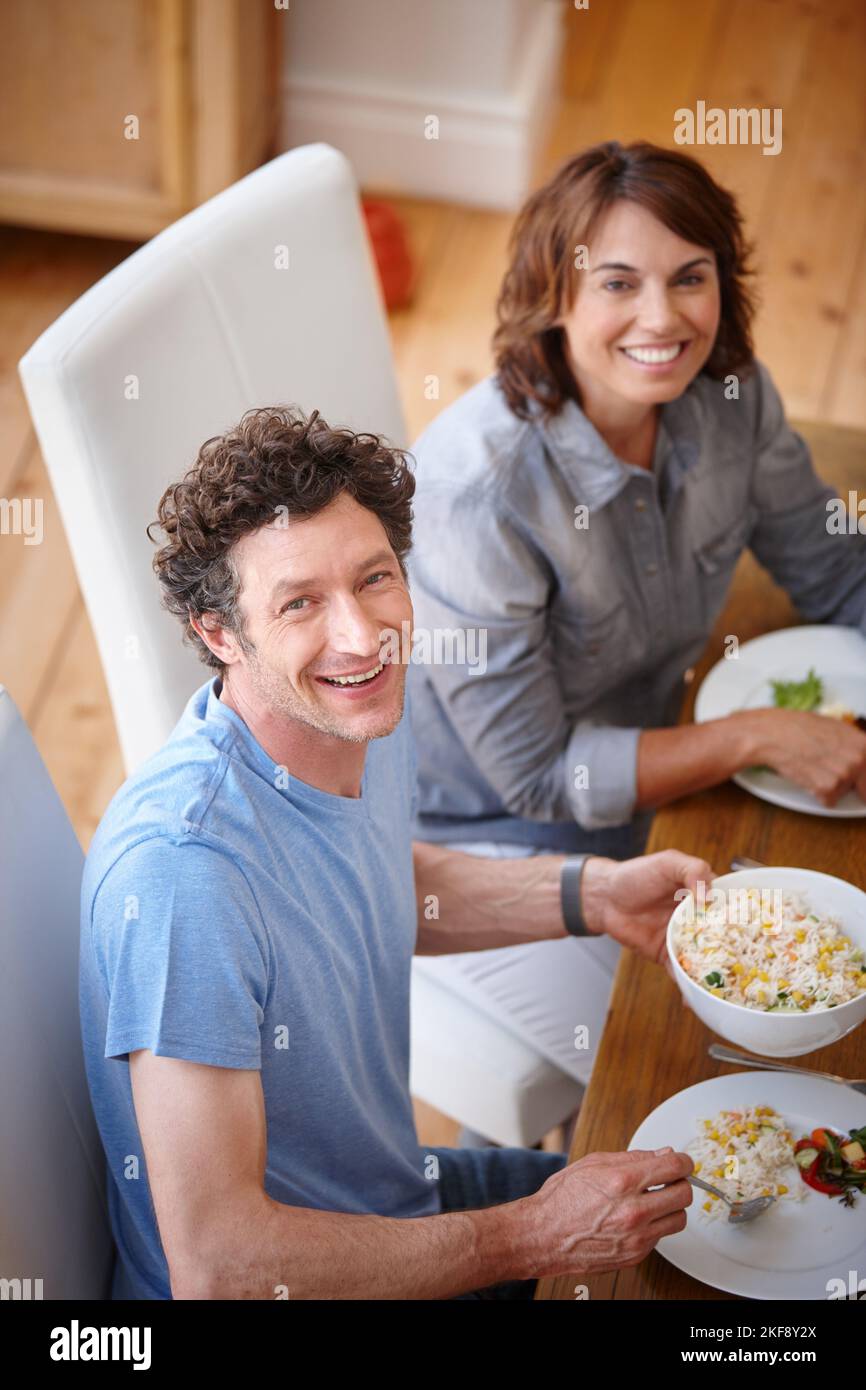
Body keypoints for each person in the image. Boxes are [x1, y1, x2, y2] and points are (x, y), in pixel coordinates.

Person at [79, 406, 703, 1299]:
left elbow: (377, 880)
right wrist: (532, 1235)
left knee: (708, 1207)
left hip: (395, 1202)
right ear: (220, 635)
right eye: (300, 603)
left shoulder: (354, 709)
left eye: (375, 579)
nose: (362, 635)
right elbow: (219, 1268)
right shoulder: (184, 878)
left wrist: (594, 894)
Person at [406, 140, 866, 1117]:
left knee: (821, 986)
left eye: (687, 278)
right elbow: (538, 778)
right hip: (477, 843)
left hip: (653, 778)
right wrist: (753, 734)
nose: (661, 318)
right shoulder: (475, 490)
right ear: (551, 295)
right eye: (616, 282)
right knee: (719, 1050)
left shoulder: (731, 398)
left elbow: (831, 567)